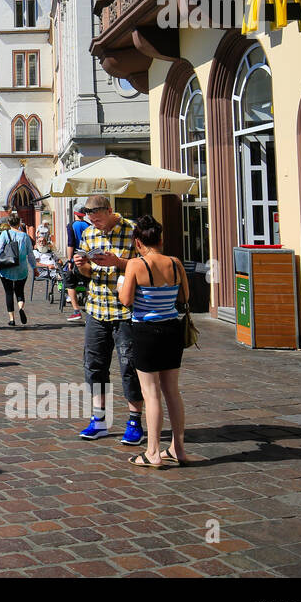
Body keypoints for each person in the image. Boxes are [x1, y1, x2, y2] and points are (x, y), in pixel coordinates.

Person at [118, 215, 190, 469]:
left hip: (146, 331)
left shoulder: (136, 265)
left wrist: (121, 287)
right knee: (172, 392)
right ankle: (178, 448)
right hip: (172, 330)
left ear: (138, 242)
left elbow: (126, 301)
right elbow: (185, 296)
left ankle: (153, 452)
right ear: (160, 239)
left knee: (151, 394)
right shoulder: (175, 263)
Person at [72, 194, 143, 445]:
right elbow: (88, 273)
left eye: (99, 219)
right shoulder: (89, 234)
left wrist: (119, 262)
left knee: (130, 367)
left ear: (111, 210)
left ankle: (135, 421)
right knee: (94, 365)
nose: (95, 223)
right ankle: (99, 420)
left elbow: (147, 267)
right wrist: (82, 265)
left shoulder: (133, 230)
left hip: (125, 310)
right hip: (96, 308)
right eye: (91, 219)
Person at [0, 214, 38, 327]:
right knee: (20, 291)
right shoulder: (25, 236)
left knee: (8, 292)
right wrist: (34, 268)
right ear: (19, 223)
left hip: (6, 268)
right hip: (22, 268)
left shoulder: (5, 234)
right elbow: (30, 254)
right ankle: (21, 307)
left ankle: (12, 319)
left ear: (9, 224)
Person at [66, 206, 90, 321]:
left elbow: (70, 244)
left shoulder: (71, 225)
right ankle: (91, 310)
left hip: (76, 258)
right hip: (88, 258)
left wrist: (70, 260)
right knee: (88, 284)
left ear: (74, 213)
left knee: (70, 282)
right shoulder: (89, 225)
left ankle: (76, 310)